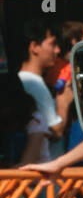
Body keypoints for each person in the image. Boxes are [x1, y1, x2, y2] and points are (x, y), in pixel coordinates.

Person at [16, 19, 63, 164]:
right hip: (41, 176)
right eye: (52, 44)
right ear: (34, 47)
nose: (57, 50)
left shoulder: (22, 81)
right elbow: (56, 131)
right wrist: (64, 101)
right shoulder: (34, 84)